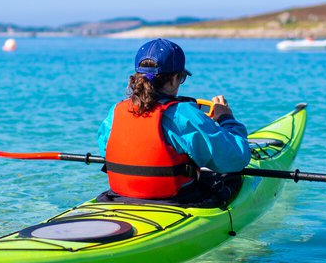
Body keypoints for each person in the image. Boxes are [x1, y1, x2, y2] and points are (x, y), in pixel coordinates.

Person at [97, 38, 251, 204]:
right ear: (173, 79)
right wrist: (226, 119)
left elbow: (105, 150)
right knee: (231, 177)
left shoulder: (116, 111)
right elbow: (235, 159)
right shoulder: (183, 114)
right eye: (181, 78)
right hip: (174, 199)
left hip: (119, 196)